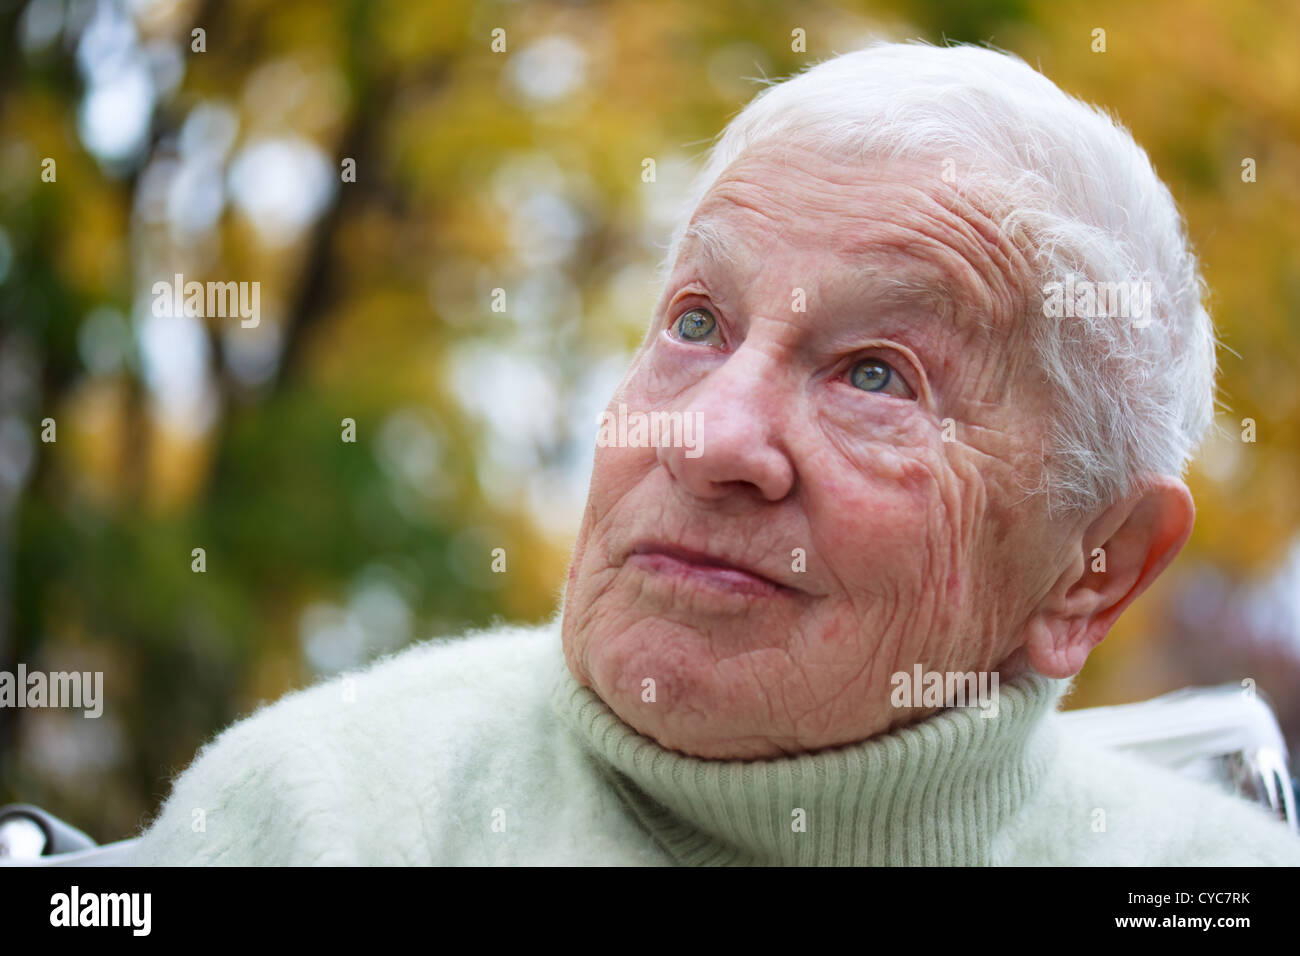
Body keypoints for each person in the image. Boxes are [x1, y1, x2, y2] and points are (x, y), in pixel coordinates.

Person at [134, 40, 1300, 866]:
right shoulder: (312, 819)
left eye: (876, 372)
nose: (706, 437)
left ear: (1094, 562)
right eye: (697, 321)